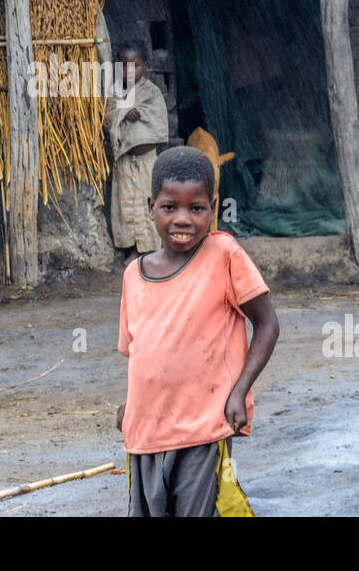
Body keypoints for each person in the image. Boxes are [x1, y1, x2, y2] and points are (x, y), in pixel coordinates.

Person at [116, 146, 280, 517]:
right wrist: (133, 406)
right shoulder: (133, 275)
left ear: (214, 207)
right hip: (145, 434)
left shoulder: (223, 255)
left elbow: (267, 324)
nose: (183, 220)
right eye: (169, 207)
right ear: (150, 206)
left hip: (204, 426)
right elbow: (142, 354)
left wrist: (239, 391)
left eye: (197, 208)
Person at [105, 43, 168, 262]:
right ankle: (130, 248)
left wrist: (137, 112)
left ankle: (147, 249)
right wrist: (123, 110)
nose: (130, 71)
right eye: (124, 66)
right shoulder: (114, 93)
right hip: (124, 161)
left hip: (147, 161)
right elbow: (109, 115)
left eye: (136, 65)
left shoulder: (151, 92)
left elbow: (156, 118)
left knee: (146, 203)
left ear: (145, 66)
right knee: (126, 205)